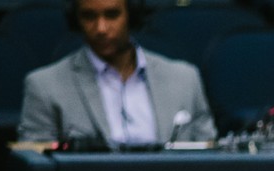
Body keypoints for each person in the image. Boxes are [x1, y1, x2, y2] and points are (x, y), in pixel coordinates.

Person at [18, 0, 216, 144]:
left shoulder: (184, 78)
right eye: (89, 17)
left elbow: (210, 157)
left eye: (112, 15)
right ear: (76, 20)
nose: (101, 28)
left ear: (131, 15)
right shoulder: (44, 85)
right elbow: (38, 169)